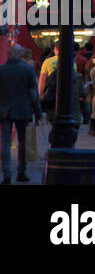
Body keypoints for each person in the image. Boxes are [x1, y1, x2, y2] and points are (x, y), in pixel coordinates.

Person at [0, 45, 40, 183]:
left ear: (9, 54)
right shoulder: (28, 69)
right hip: (23, 109)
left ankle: (6, 173)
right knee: (23, 141)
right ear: (20, 54)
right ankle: (21, 171)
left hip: (4, 110)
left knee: (5, 142)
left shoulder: (2, 70)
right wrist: (38, 112)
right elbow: (33, 94)